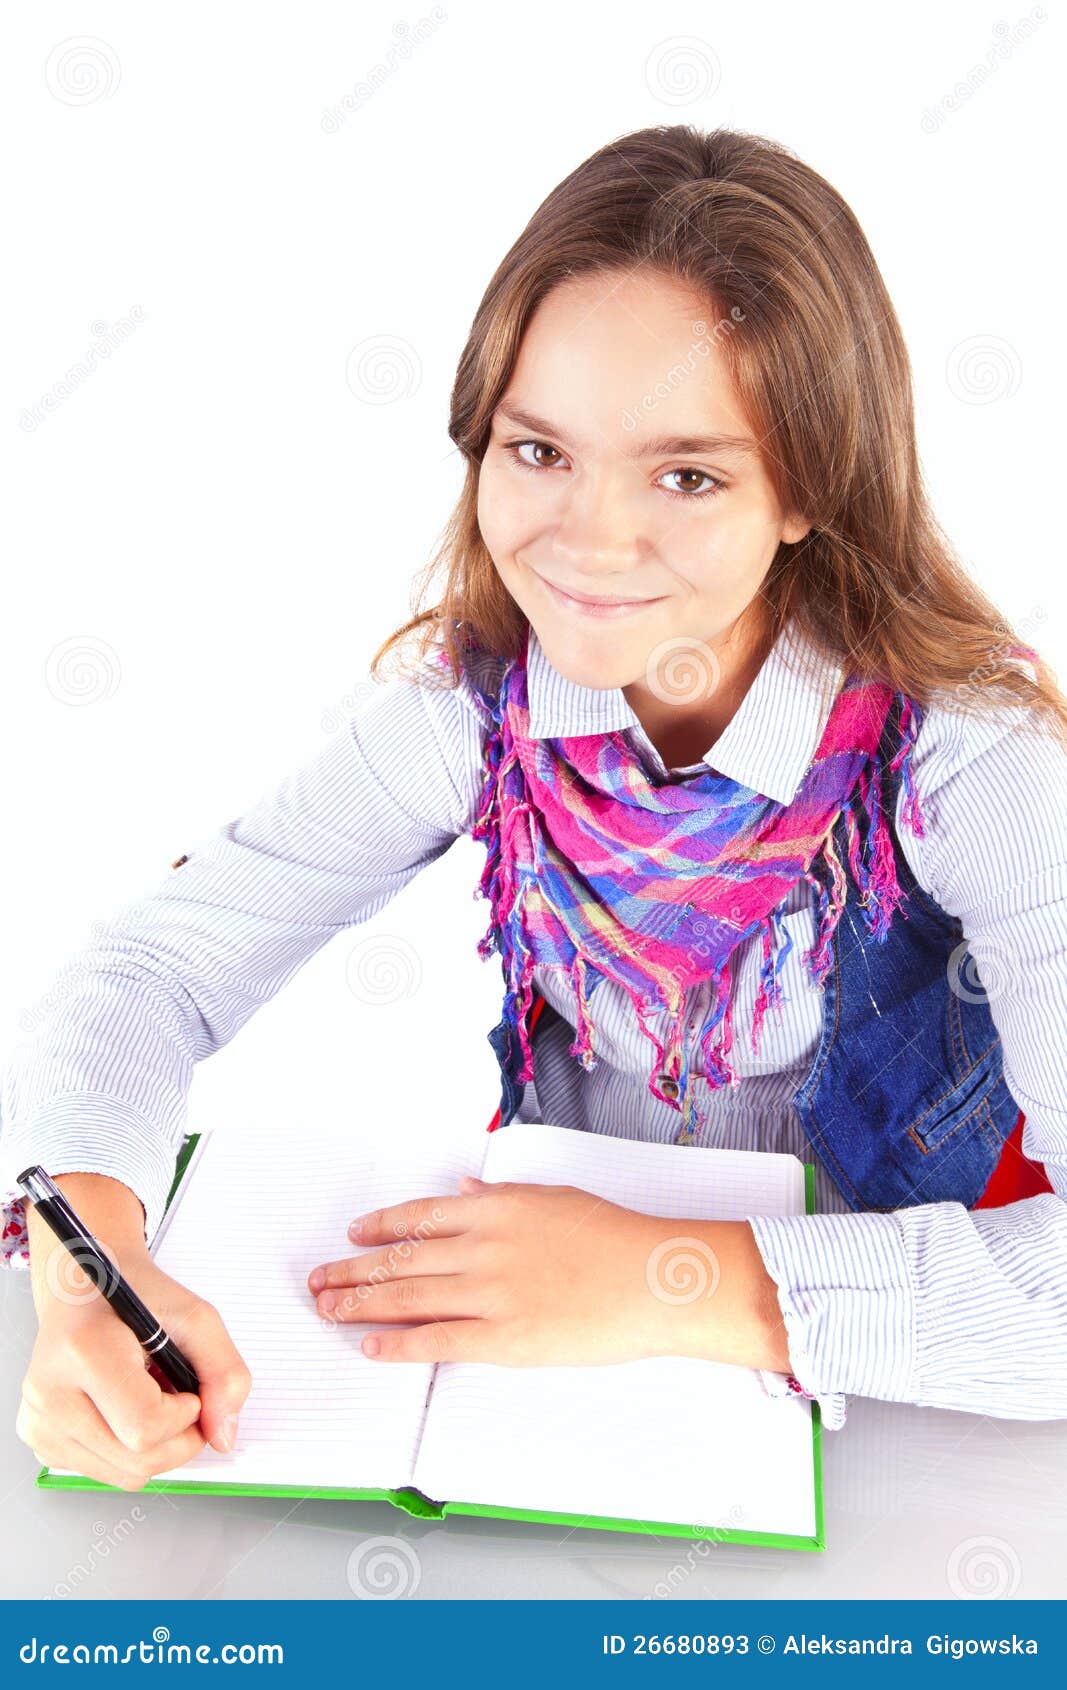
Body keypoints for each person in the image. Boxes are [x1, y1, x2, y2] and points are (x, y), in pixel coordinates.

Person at [3, 124, 1066, 1496]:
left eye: (687, 474)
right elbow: (152, 966)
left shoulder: (977, 763)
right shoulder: (477, 706)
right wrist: (92, 1266)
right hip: (570, 1410)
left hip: (920, 1414)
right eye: (539, 450)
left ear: (810, 483)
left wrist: (666, 1279)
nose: (588, 541)